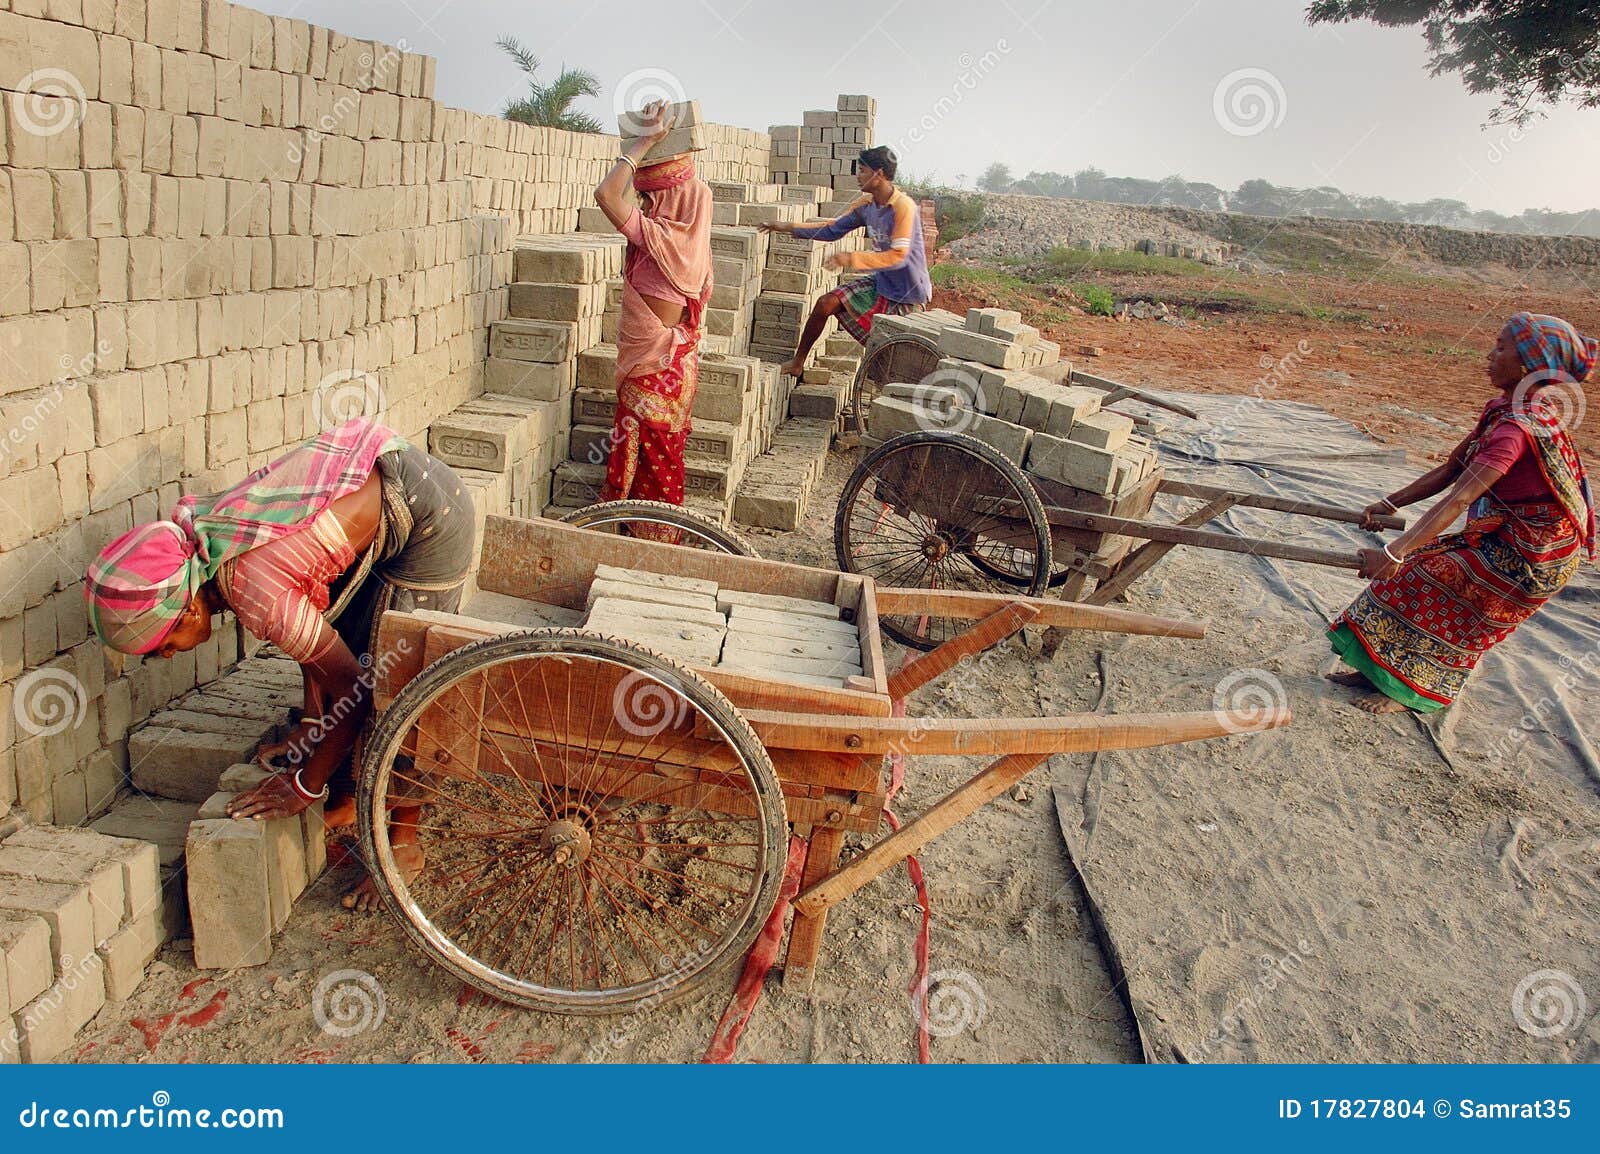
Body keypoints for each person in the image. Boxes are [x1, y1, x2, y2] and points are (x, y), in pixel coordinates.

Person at [84, 417, 475, 910]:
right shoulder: (208, 546)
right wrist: (312, 727)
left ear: (187, 608)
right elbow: (313, 634)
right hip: (389, 476)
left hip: (432, 518)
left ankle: (404, 840)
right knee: (353, 644)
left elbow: (353, 693)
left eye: (161, 643)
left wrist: (303, 787)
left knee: (394, 685)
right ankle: (354, 792)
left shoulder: (251, 589)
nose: (165, 656)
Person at [1327, 312, 1595, 714]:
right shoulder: (1502, 410)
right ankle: (1375, 670)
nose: (1490, 355)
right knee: (1415, 567)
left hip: (1534, 557)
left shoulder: (1516, 430)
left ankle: (1411, 691)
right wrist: (1389, 504)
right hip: (1510, 534)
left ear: (1526, 365)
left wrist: (1394, 554)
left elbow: (1460, 498)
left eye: (1501, 347)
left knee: (1422, 574)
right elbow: (1452, 468)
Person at [591, 100, 713, 539]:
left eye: (648, 196)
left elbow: (606, 194)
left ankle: (648, 549)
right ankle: (657, 543)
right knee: (661, 465)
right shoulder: (688, 243)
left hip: (652, 374)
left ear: (670, 200)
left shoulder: (662, 237)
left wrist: (643, 143)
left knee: (646, 466)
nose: (641, 202)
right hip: (674, 370)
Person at [761, 144, 932, 376]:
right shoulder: (867, 207)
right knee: (825, 304)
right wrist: (787, 227)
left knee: (891, 364)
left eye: (862, 170)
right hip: (882, 284)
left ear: (878, 174)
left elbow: (898, 257)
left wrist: (851, 258)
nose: (857, 176)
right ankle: (797, 363)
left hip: (907, 295)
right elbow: (833, 229)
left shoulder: (903, 208)